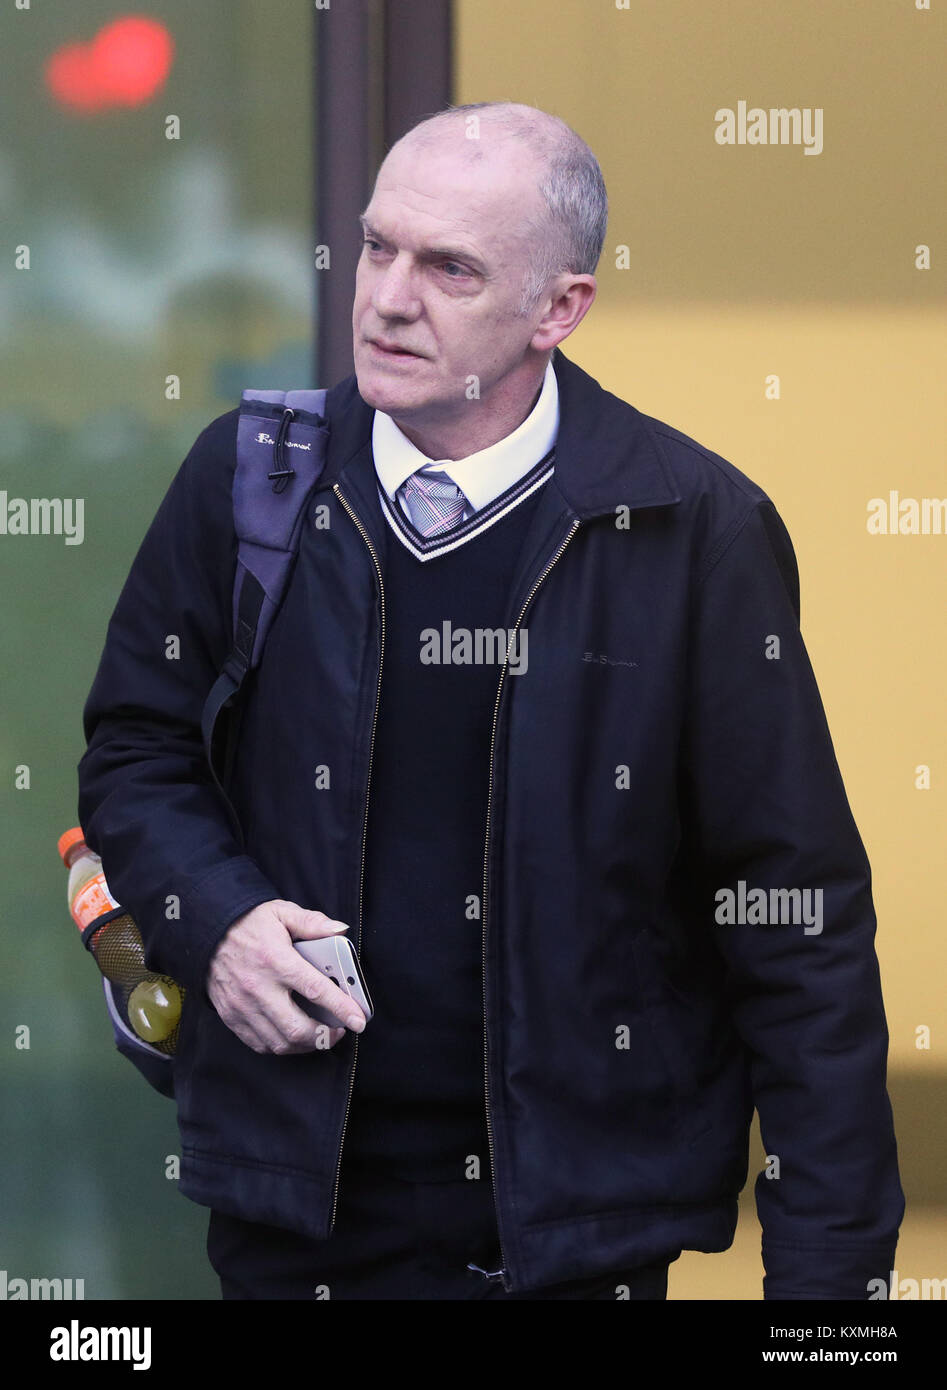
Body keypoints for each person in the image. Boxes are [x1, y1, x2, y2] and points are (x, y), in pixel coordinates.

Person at [77, 101, 904, 1301]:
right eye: (376, 247)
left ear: (557, 309)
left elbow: (794, 913)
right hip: (296, 1213)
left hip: (577, 1238)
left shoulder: (688, 526)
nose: (387, 297)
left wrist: (828, 1287)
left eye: (449, 267)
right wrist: (219, 920)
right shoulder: (250, 478)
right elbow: (136, 753)